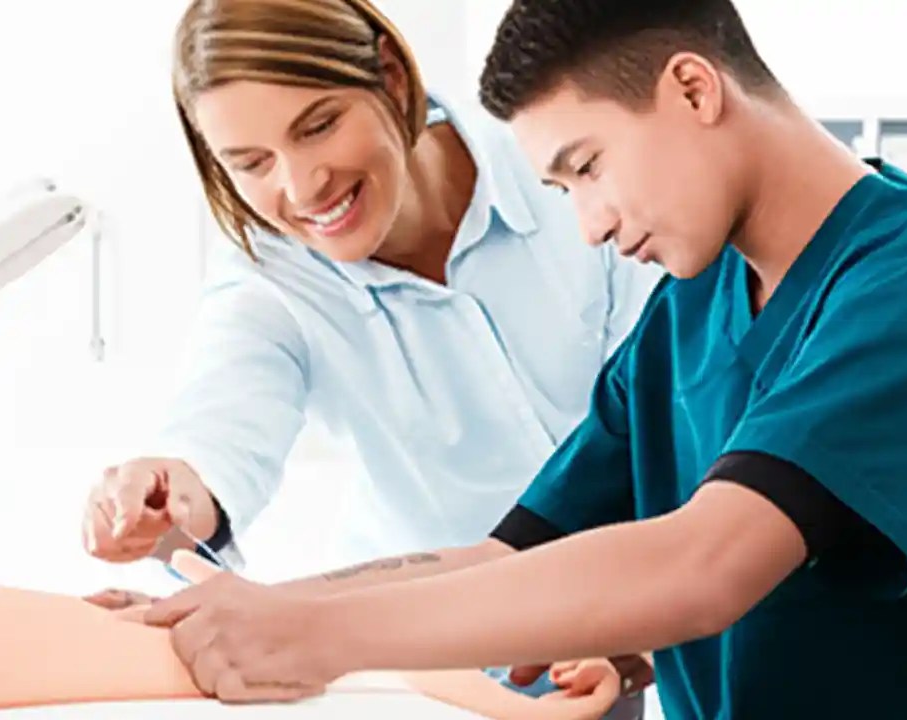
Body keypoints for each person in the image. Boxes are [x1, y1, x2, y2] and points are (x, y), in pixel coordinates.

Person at [134, 0, 907, 718]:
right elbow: (504, 554)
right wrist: (252, 610)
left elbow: (704, 567)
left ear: (693, 88)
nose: (590, 225)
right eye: (561, 190)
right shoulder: (693, 299)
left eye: (587, 168)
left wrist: (313, 640)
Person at [81, 0, 660, 714]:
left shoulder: (561, 173)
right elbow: (219, 430)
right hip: (413, 660)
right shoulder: (271, 283)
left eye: (319, 126)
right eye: (252, 164)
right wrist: (169, 492)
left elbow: (666, 418)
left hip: (614, 619)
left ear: (389, 74)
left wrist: (631, 613)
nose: (301, 187)